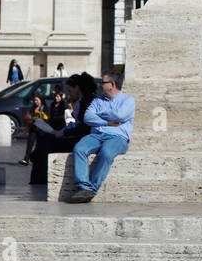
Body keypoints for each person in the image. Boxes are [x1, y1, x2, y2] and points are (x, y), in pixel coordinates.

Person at [70, 71, 136, 203]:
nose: (99, 84)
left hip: (117, 137)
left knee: (107, 152)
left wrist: (100, 113)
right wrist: (107, 122)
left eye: (102, 82)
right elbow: (88, 117)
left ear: (112, 84)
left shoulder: (128, 100)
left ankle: (92, 188)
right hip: (96, 135)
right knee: (79, 148)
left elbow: (121, 116)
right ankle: (83, 186)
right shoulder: (97, 100)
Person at [29, 74, 97, 185]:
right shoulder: (82, 101)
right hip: (76, 134)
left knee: (47, 142)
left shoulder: (86, 102)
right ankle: (36, 173)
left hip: (81, 138)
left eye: (70, 91)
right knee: (45, 139)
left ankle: (38, 178)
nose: (69, 94)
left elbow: (83, 127)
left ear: (77, 88)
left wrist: (63, 133)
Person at [17, 93, 49, 165]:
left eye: (37, 100)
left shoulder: (44, 108)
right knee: (29, 144)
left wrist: (35, 115)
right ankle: (26, 159)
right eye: (34, 100)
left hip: (41, 129)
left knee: (40, 145)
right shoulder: (33, 107)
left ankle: (39, 159)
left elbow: (46, 117)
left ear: (41, 100)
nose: (35, 102)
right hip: (33, 128)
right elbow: (29, 116)